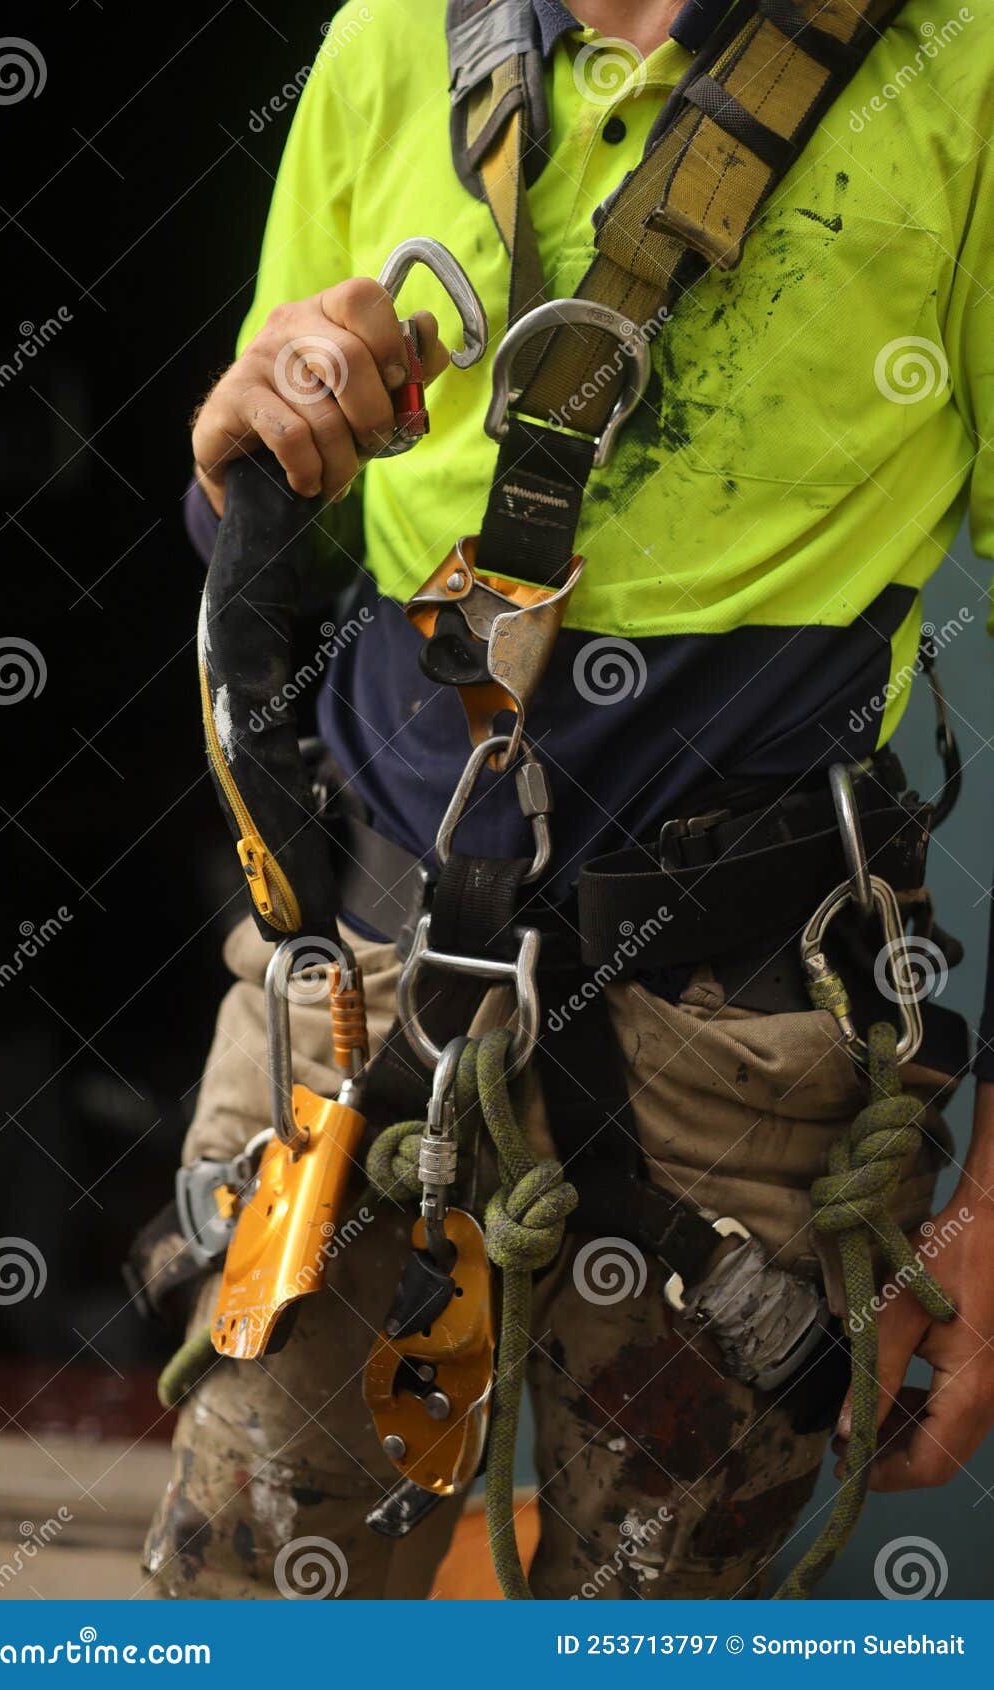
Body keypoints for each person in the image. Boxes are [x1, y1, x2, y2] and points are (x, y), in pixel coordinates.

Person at [144, 0, 994, 1599]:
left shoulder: (961, 66)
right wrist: (252, 450)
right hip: (357, 1013)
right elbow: (274, 520)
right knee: (258, 1615)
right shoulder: (388, 37)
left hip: (732, 1054)